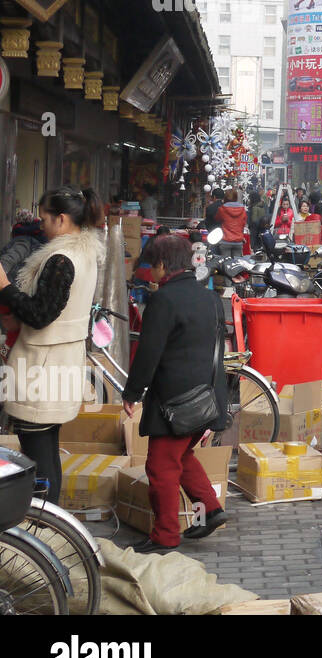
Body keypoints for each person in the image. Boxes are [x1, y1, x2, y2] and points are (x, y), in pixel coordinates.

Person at [121, 234, 229, 553]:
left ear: (163, 266)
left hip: (176, 403)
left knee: (161, 467)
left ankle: (165, 535)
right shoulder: (209, 298)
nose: (150, 274)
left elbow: (148, 353)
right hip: (208, 398)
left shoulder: (163, 300)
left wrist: (132, 393)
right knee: (181, 456)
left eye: (152, 266)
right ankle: (209, 509)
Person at [0, 187, 105, 503]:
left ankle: (44, 528)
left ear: (61, 219)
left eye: (44, 217)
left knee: (38, 456)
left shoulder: (61, 258)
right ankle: (52, 527)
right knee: (47, 450)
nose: (39, 223)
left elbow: (40, 314)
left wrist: (5, 286)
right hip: (61, 362)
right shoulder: (85, 253)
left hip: (42, 370)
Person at [216, 188, 249, 257]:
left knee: (226, 264)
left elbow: (217, 219)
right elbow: (243, 223)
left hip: (225, 240)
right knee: (236, 264)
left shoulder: (222, 209)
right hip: (238, 240)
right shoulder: (242, 210)